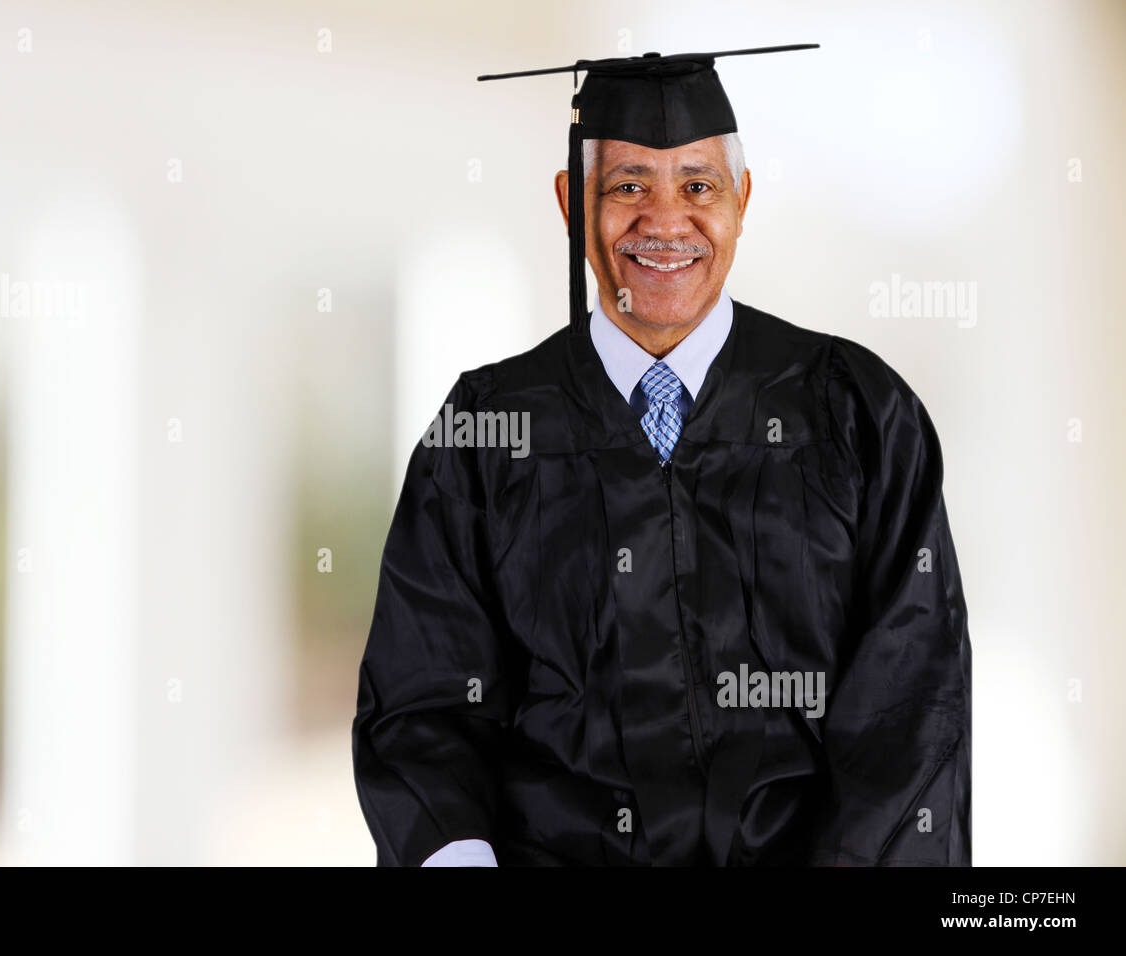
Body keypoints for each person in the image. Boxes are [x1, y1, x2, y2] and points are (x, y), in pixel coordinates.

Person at [352, 46, 971, 866]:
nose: (667, 222)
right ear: (573, 203)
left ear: (742, 201)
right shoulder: (484, 431)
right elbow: (422, 702)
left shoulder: (857, 412)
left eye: (699, 186)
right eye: (629, 186)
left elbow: (911, 699)